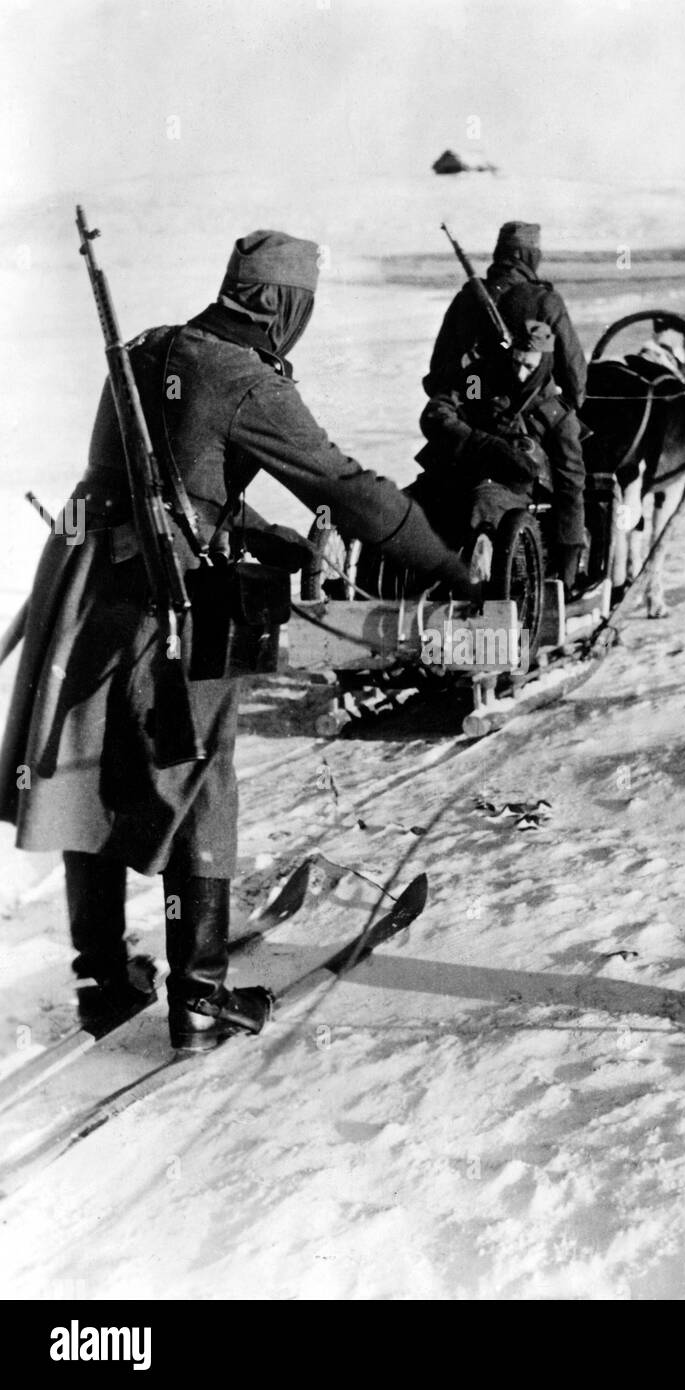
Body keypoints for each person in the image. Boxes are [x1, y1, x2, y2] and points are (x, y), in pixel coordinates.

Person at [0, 229, 477, 1052]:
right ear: (280, 304)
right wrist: (444, 562)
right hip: (169, 599)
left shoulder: (145, 349)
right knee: (196, 772)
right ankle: (201, 996)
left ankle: (103, 983)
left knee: (92, 769)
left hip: (84, 588)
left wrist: (257, 533)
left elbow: (160, 481)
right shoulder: (247, 380)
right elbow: (345, 487)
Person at [424, 222, 588, 582]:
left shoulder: (468, 297)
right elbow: (574, 375)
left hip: (464, 422)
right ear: (531, 257)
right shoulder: (545, 301)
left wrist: (467, 389)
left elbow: (437, 374)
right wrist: (560, 410)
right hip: (512, 435)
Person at [414, 319, 587, 587]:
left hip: (518, 491)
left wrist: (570, 553)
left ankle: (468, 586)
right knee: (412, 500)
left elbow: (571, 484)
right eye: (516, 361)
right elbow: (447, 407)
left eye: (528, 366)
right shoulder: (481, 382)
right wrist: (474, 439)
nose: (519, 373)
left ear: (543, 364)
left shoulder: (556, 415)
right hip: (465, 470)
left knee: (483, 502)